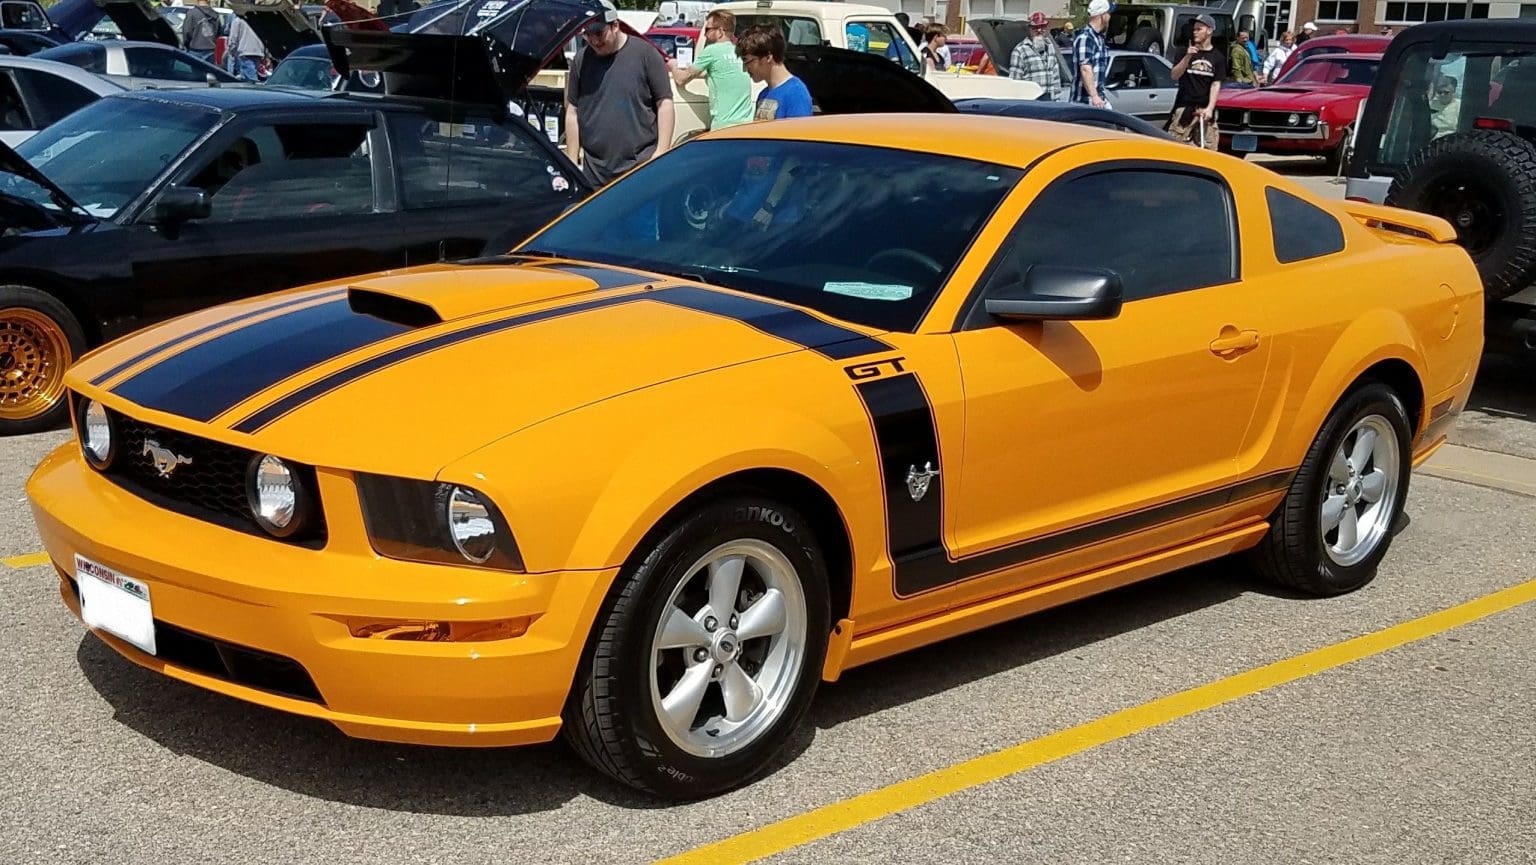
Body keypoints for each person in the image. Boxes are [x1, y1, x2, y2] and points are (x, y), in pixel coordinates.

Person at [564, 0, 675, 186]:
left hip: (639, 168)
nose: (594, 41)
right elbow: (572, 111)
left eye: (599, 33)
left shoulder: (645, 54)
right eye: (588, 35)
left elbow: (665, 103)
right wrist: (572, 161)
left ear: (615, 25)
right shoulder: (581, 60)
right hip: (595, 174)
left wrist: (661, 151)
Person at [667, 9, 752, 131]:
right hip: (746, 126)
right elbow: (721, 72)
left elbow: (681, 79)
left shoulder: (712, 51)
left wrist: (673, 65)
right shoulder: (740, 52)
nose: (705, 34)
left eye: (708, 29)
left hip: (724, 127)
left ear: (720, 31)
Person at [1167, 13, 1226, 149]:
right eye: (1194, 29)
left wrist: (1210, 108)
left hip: (1205, 111)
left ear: (1209, 30)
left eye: (1199, 29)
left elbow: (1216, 84)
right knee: (1176, 148)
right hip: (1184, 107)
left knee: (1209, 150)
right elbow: (1174, 76)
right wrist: (1188, 57)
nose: (1195, 32)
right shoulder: (1183, 52)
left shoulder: (1218, 57)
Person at [736, 26, 812, 120]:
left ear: (768, 57)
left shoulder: (796, 94)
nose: (745, 69)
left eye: (747, 61)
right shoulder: (763, 94)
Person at [1009, 12, 1061, 100]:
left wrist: (1057, 99)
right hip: (1031, 102)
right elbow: (1014, 82)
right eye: (1035, 27)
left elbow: (1055, 76)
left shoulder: (1050, 47)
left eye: (1043, 27)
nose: (1039, 30)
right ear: (1029, 29)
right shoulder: (1020, 50)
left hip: (1050, 102)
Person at [1072, 0, 1113, 107]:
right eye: (1109, 13)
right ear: (1103, 16)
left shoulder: (1098, 38)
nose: (1110, 17)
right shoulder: (1086, 38)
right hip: (1085, 102)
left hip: (1098, 99)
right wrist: (1094, 96)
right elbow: (1085, 69)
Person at [223, 14, 265, 82]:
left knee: (251, 78)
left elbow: (234, 38)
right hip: (258, 51)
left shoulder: (237, 20)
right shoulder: (258, 19)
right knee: (249, 74)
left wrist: (232, 52)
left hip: (245, 51)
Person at [180, 0, 220, 64]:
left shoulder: (192, 13)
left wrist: (186, 44)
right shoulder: (215, 14)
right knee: (209, 73)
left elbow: (187, 32)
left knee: (196, 73)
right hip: (210, 50)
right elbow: (218, 32)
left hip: (195, 49)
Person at [1429, 75, 1461, 139]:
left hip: (1450, 140)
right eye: (1440, 92)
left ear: (1453, 91)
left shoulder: (1460, 106)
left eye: (1446, 92)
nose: (1442, 95)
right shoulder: (1431, 104)